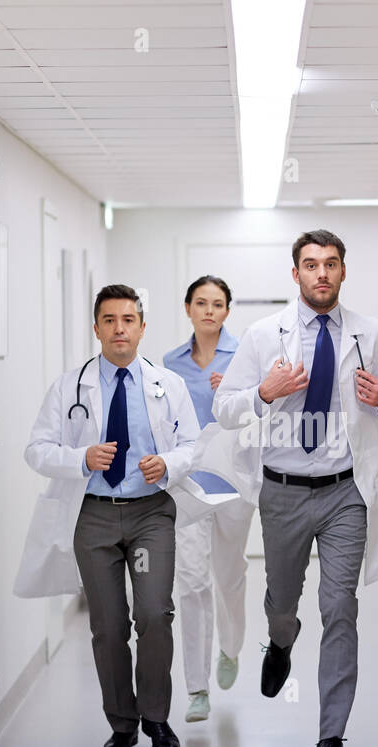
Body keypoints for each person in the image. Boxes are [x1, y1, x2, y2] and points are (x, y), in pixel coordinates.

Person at [202, 229, 378, 747]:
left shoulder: (373, 332)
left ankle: (331, 738)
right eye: (311, 264)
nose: (322, 273)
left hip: (347, 491)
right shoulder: (262, 335)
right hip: (283, 491)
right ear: (294, 274)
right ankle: (279, 641)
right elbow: (226, 409)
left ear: (344, 272)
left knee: (340, 607)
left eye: (332, 264)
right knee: (282, 602)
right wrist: (264, 392)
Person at [13, 284, 206, 747]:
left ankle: (157, 718)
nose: (119, 329)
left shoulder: (168, 385)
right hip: (93, 517)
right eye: (109, 320)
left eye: (128, 320)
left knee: (154, 615)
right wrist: (82, 458)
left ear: (142, 327)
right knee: (108, 625)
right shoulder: (68, 387)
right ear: (96, 328)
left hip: (150, 515)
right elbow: (35, 449)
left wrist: (169, 465)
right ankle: (122, 722)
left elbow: (193, 444)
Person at [162, 275, 255, 723]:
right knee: (192, 582)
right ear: (188, 309)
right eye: (201, 303)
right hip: (187, 483)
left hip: (235, 481)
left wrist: (234, 395)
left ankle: (231, 648)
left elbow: (269, 413)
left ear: (227, 311)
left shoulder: (246, 356)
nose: (209, 311)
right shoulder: (168, 363)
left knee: (229, 576)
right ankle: (196, 688)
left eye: (218, 304)